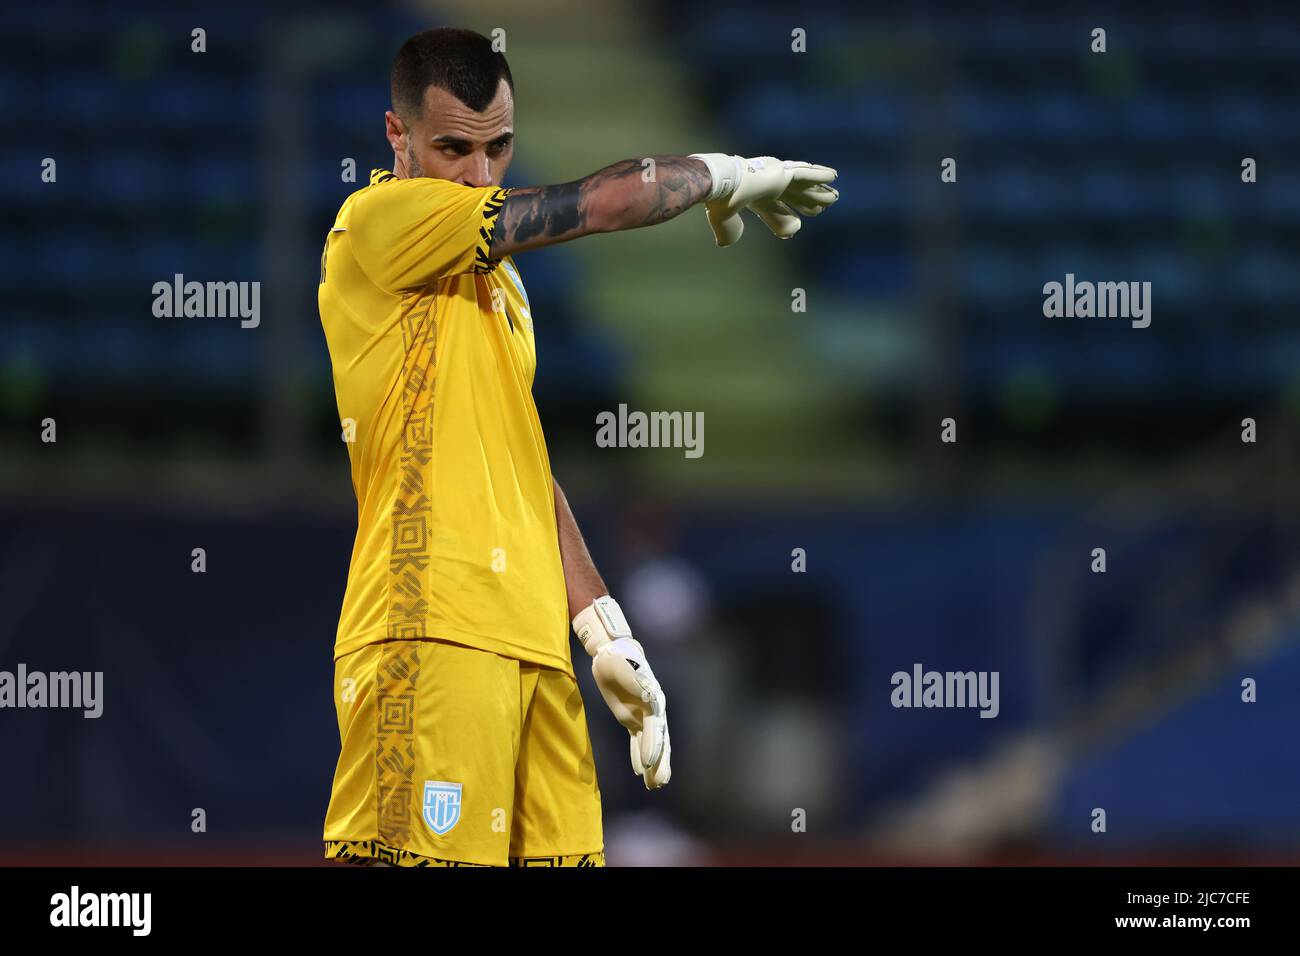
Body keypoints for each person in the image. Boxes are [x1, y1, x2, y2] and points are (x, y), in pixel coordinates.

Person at [317, 26, 839, 867]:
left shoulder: (502, 285)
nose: (479, 175)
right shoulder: (378, 223)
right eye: (452, 148)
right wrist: (728, 174)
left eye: (499, 148)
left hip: (535, 651)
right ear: (397, 135)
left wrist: (602, 630)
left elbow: (522, 463)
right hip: (430, 631)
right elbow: (600, 203)